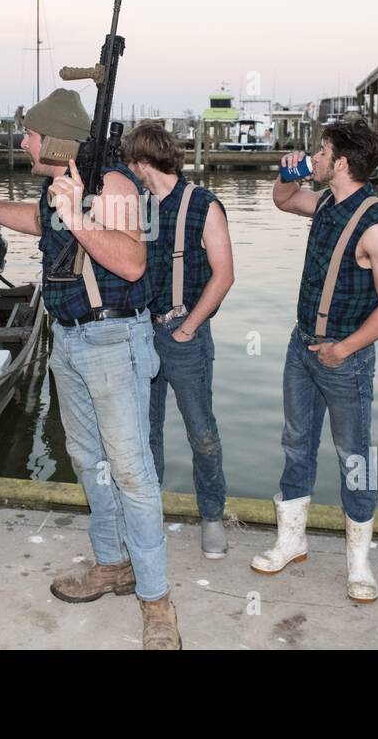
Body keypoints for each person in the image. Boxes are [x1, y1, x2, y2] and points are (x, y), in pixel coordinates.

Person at [0, 89, 180, 649]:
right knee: (88, 460)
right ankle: (112, 561)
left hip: (113, 338)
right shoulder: (60, 185)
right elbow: (41, 223)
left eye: (28, 133)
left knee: (132, 472)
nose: (21, 141)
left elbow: (133, 259)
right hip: (70, 341)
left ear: (53, 139)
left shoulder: (114, 185)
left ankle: (157, 598)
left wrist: (76, 217)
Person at [251, 119, 378, 603]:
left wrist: (345, 348)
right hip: (302, 347)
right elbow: (281, 199)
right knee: (296, 443)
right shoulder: (322, 202)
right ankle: (291, 540)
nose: (314, 157)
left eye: (320, 152)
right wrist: (289, 172)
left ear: (340, 162)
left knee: (353, 457)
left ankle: (359, 564)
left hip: (346, 359)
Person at [122, 120, 234, 558]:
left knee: (201, 431)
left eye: (131, 164)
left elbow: (224, 276)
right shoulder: (137, 206)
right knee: (144, 434)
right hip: (140, 333)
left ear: (142, 163)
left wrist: (188, 327)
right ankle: (149, 519)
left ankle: (212, 516)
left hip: (184, 335)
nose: (129, 172)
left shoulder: (204, 206)